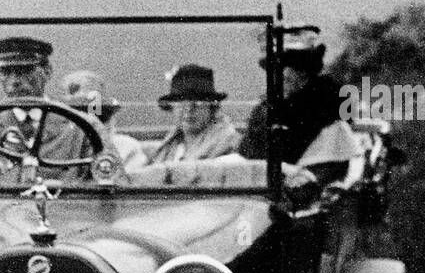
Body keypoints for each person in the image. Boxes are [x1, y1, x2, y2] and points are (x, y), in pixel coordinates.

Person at [0, 37, 97, 181]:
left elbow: (111, 181)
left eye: (24, 70)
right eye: (6, 72)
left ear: (47, 71)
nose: (15, 81)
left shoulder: (83, 127)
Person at [239, 34, 360, 181]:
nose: (275, 76)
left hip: (298, 186)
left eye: (281, 68)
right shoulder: (268, 108)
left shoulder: (325, 111)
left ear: (300, 73)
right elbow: (248, 153)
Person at [60, 70, 149, 173]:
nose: (93, 125)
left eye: (100, 116)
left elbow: (128, 184)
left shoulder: (128, 148)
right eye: (78, 119)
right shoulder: (56, 149)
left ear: (110, 119)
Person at [150, 64, 242, 163]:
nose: (189, 109)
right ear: (172, 107)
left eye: (198, 103)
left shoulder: (227, 143)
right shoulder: (170, 145)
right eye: (181, 103)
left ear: (211, 108)